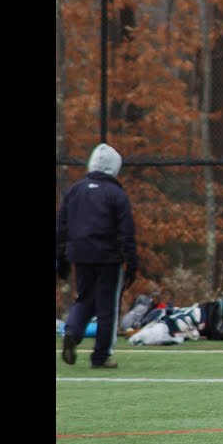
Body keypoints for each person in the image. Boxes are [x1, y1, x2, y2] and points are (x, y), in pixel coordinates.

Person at [57, 143, 140, 369]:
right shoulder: (116, 194)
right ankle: (100, 355)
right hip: (108, 257)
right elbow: (126, 232)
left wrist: (61, 258)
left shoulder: (74, 191)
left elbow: (61, 227)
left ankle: (72, 332)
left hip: (79, 254)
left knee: (84, 298)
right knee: (107, 306)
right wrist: (131, 263)